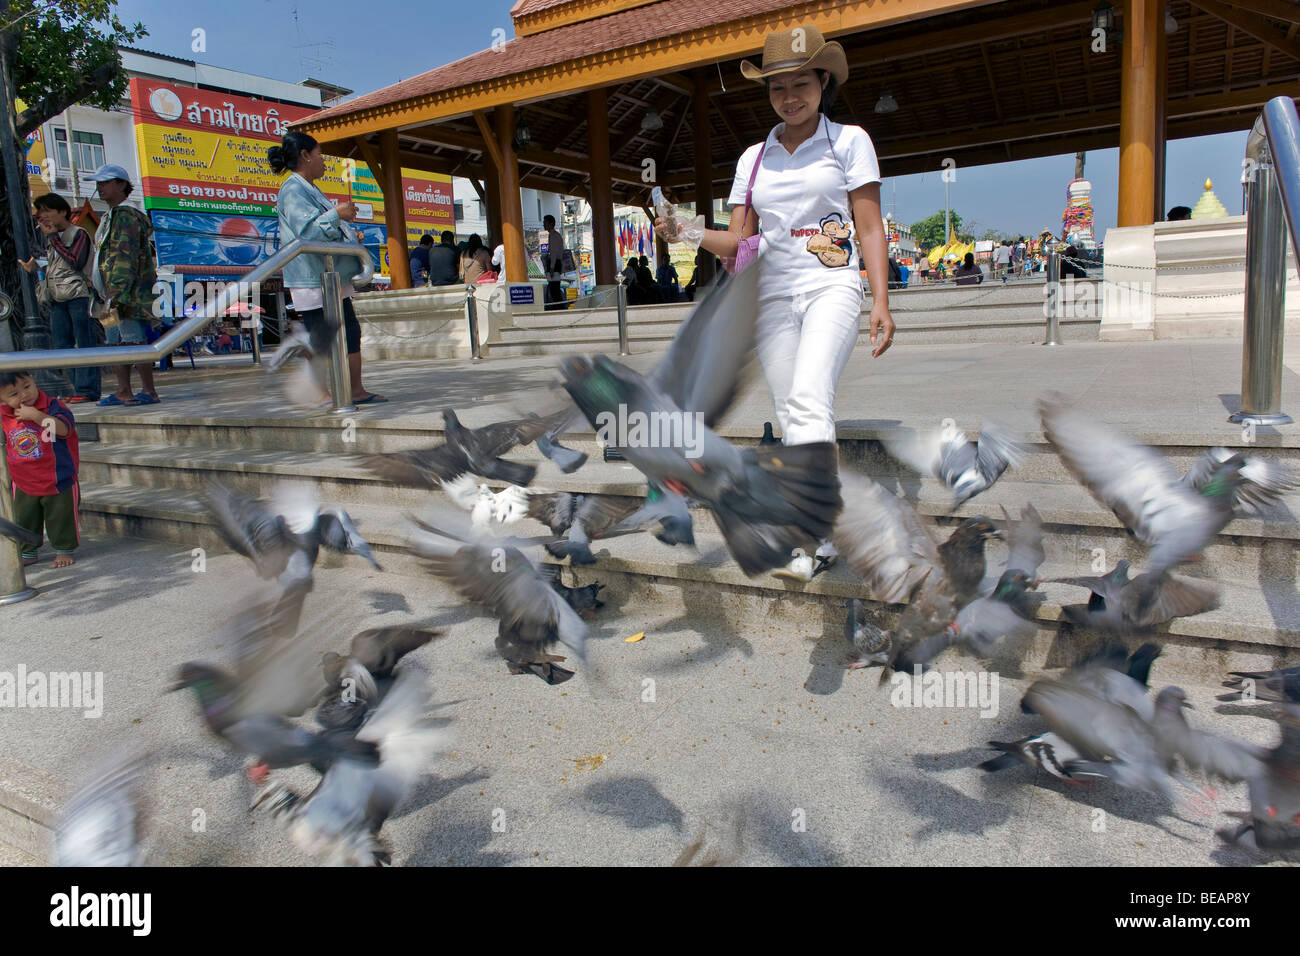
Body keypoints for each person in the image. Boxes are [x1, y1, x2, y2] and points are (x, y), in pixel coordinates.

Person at [655, 23, 894, 582]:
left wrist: (880, 299)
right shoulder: (753, 157)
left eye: (801, 84)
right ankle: (829, 527)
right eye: (777, 87)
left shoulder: (849, 141)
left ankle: (808, 531)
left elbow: (870, 226)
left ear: (823, 83)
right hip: (770, 294)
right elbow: (737, 244)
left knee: (810, 396)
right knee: (792, 414)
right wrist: (684, 230)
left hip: (832, 284)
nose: (789, 96)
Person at [267, 130, 384, 404]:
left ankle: (355, 389)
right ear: (306, 156)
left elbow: (323, 230)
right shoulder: (292, 189)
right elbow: (307, 231)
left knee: (350, 332)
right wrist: (337, 214)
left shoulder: (309, 189)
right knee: (321, 339)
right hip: (311, 278)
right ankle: (319, 392)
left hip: (332, 277)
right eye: (320, 155)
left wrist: (347, 236)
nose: (324, 162)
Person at [88, 164, 159, 407]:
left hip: (124, 293)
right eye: (98, 183)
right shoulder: (110, 216)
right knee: (113, 342)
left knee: (133, 340)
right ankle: (123, 390)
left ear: (121, 185)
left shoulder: (125, 215)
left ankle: (148, 390)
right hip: (108, 293)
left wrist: (116, 292)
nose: (100, 187)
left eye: (105, 182)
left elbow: (123, 256)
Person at [18, 194, 98, 403]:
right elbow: (56, 265)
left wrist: (53, 237)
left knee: (84, 342)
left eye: (46, 211)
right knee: (63, 345)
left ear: (62, 211)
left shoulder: (77, 234)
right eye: (39, 212)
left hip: (78, 296)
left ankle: (87, 389)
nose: (41, 216)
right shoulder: (50, 238)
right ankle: (73, 388)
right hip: (56, 298)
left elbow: (75, 262)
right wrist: (35, 266)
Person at [1, 370, 80, 568]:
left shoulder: (52, 405)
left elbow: (64, 429)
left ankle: (64, 549)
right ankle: (28, 551)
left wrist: (37, 416)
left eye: (27, 387)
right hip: (22, 479)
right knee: (23, 517)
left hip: (57, 475)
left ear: (34, 382)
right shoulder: (4, 416)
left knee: (61, 515)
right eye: (14, 394)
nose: (24, 395)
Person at [542, 214, 567, 310]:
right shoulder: (555, 235)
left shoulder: (553, 236)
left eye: (545, 223)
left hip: (555, 264)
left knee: (554, 289)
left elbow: (553, 252)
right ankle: (559, 307)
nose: (544, 225)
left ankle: (559, 307)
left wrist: (551, 267)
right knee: (554, 288)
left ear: (551, 223)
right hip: (556, 263)